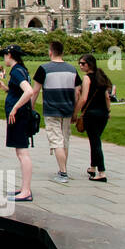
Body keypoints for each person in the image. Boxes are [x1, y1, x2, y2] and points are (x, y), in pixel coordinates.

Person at [17, 40, 81, 184]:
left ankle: (63, 173)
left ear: (50, 52)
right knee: (65, 139)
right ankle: (63, 168)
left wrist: (31, 107)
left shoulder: (44, 68)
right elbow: (77, 93)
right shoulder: (72, 69)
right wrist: (75, 111)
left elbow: (35, 91)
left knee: (56, 140)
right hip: (68, 108)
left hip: (52, 109)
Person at [0, 45, 36, 202]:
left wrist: (14, 108)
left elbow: (29, 91)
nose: (4, 59)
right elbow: (18, 91)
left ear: (10, 55)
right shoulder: (20, 70)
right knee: (20, 152)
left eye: (5, 55)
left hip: (19, 116)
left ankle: (26, 190)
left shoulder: (16, 71)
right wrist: (5, 87)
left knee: (22, 153)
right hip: (19, 115)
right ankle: (24, 187)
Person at [74, 53, 113, 182]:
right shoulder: (101, 76)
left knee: (95, 142)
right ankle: (92, 167)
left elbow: (84, 98)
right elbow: (107, 97)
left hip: (91, 114)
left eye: (83, 63)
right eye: (79, 63)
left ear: (90, 64)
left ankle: (101, 172)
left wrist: (75, 112)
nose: (81, 66)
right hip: (103, 113)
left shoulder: (87, 78)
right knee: (95, 140)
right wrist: (108, 111)